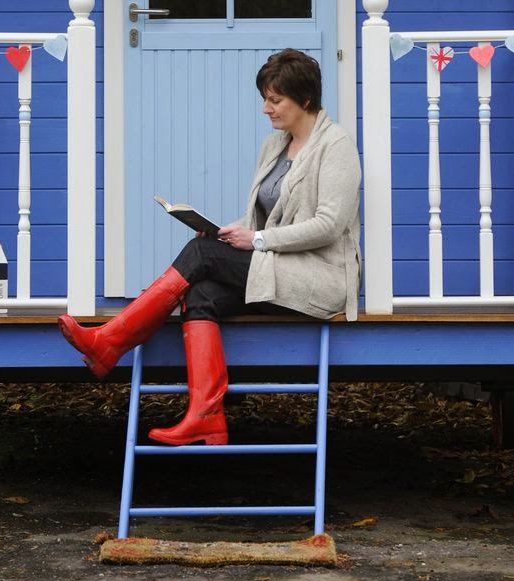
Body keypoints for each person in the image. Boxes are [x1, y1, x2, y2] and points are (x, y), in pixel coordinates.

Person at [58, 48, 361, 446]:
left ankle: (112, 340)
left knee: (201, 256)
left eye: (275, 100)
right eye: (264, 99)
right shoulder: (275, 146)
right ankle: (207, 415)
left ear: (305, 99)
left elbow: (328, 226)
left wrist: (256, 240)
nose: (266, 109)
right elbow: (259, 220)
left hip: (318, 277)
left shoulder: (335, 146)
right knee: (202, 293)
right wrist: (228, 232)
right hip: (275, 268)